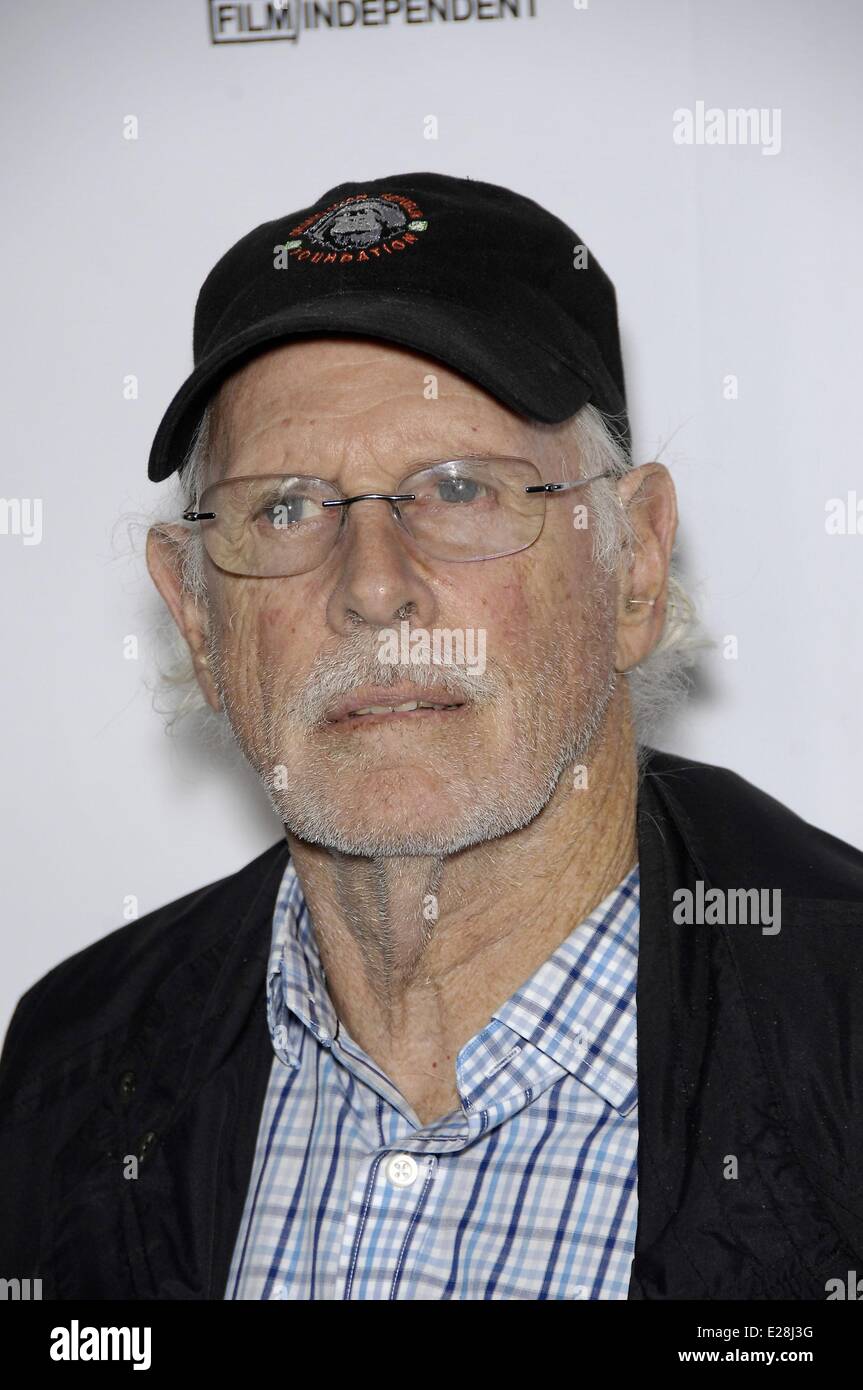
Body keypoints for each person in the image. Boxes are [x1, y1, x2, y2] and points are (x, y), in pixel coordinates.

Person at [1, 172, 861, 1301]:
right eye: (287, 507)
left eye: (457, 489)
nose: (371, 588)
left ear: (633, 564)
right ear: (198, 617)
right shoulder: (70, 1061)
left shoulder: (836, 1039)